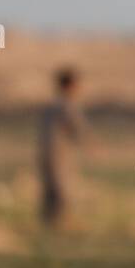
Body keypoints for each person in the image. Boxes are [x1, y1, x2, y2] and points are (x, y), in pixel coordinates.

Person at [38, 67, 88, 229]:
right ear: (70, 85)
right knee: (61, 192)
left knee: (50, 191)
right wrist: (91, 145)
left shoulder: (51, 106)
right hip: (59, 157)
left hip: (47, 155)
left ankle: (48, 226)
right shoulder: (66, 106)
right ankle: (58, 226)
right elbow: (77, 129)